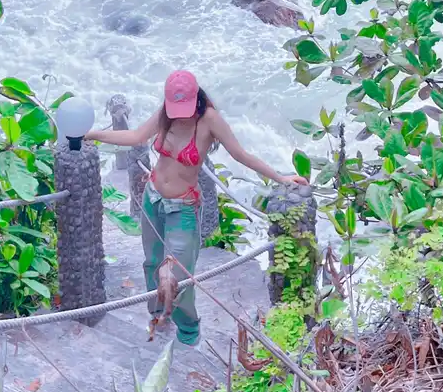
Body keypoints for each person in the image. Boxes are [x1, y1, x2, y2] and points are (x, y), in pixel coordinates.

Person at [87, 70, 308, 346]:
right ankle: (157, 313)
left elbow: (241, 154)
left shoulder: (209, 120)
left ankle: (188, 331)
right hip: (153, 198)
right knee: (152, 264)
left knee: (178, 275)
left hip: (184, 208)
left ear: (196, 99)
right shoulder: (166, 112)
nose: (179, 113)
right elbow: (135, 136)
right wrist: (92, 134)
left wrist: (281, 178)